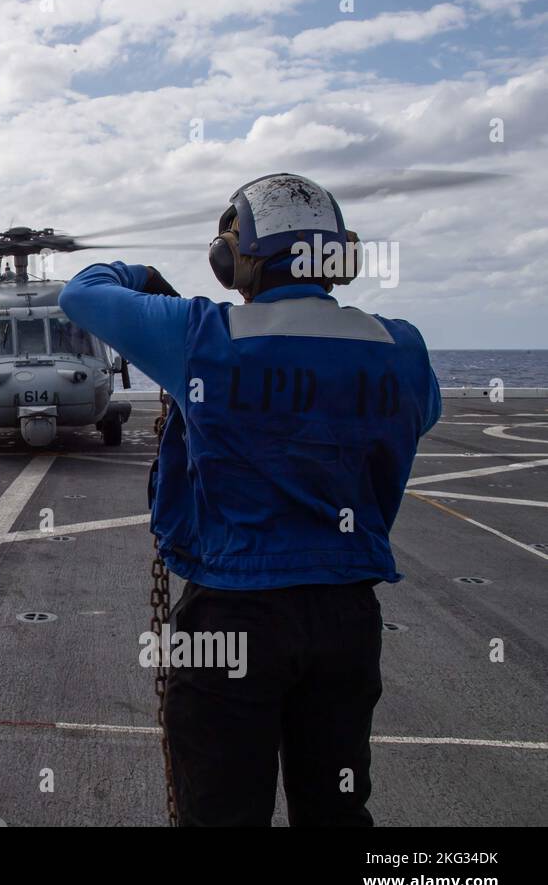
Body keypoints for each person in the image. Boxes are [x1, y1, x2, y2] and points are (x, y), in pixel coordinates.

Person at [59, 173, 442, 826]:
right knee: (339, 809)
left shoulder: (202, 335)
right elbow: (419, 416)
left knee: (221, 810)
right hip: (346, 616)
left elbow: (82, 294)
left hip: (232, 612)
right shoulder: (401, 347)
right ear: (339, 256)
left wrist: (142, 272)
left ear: (232, 260)